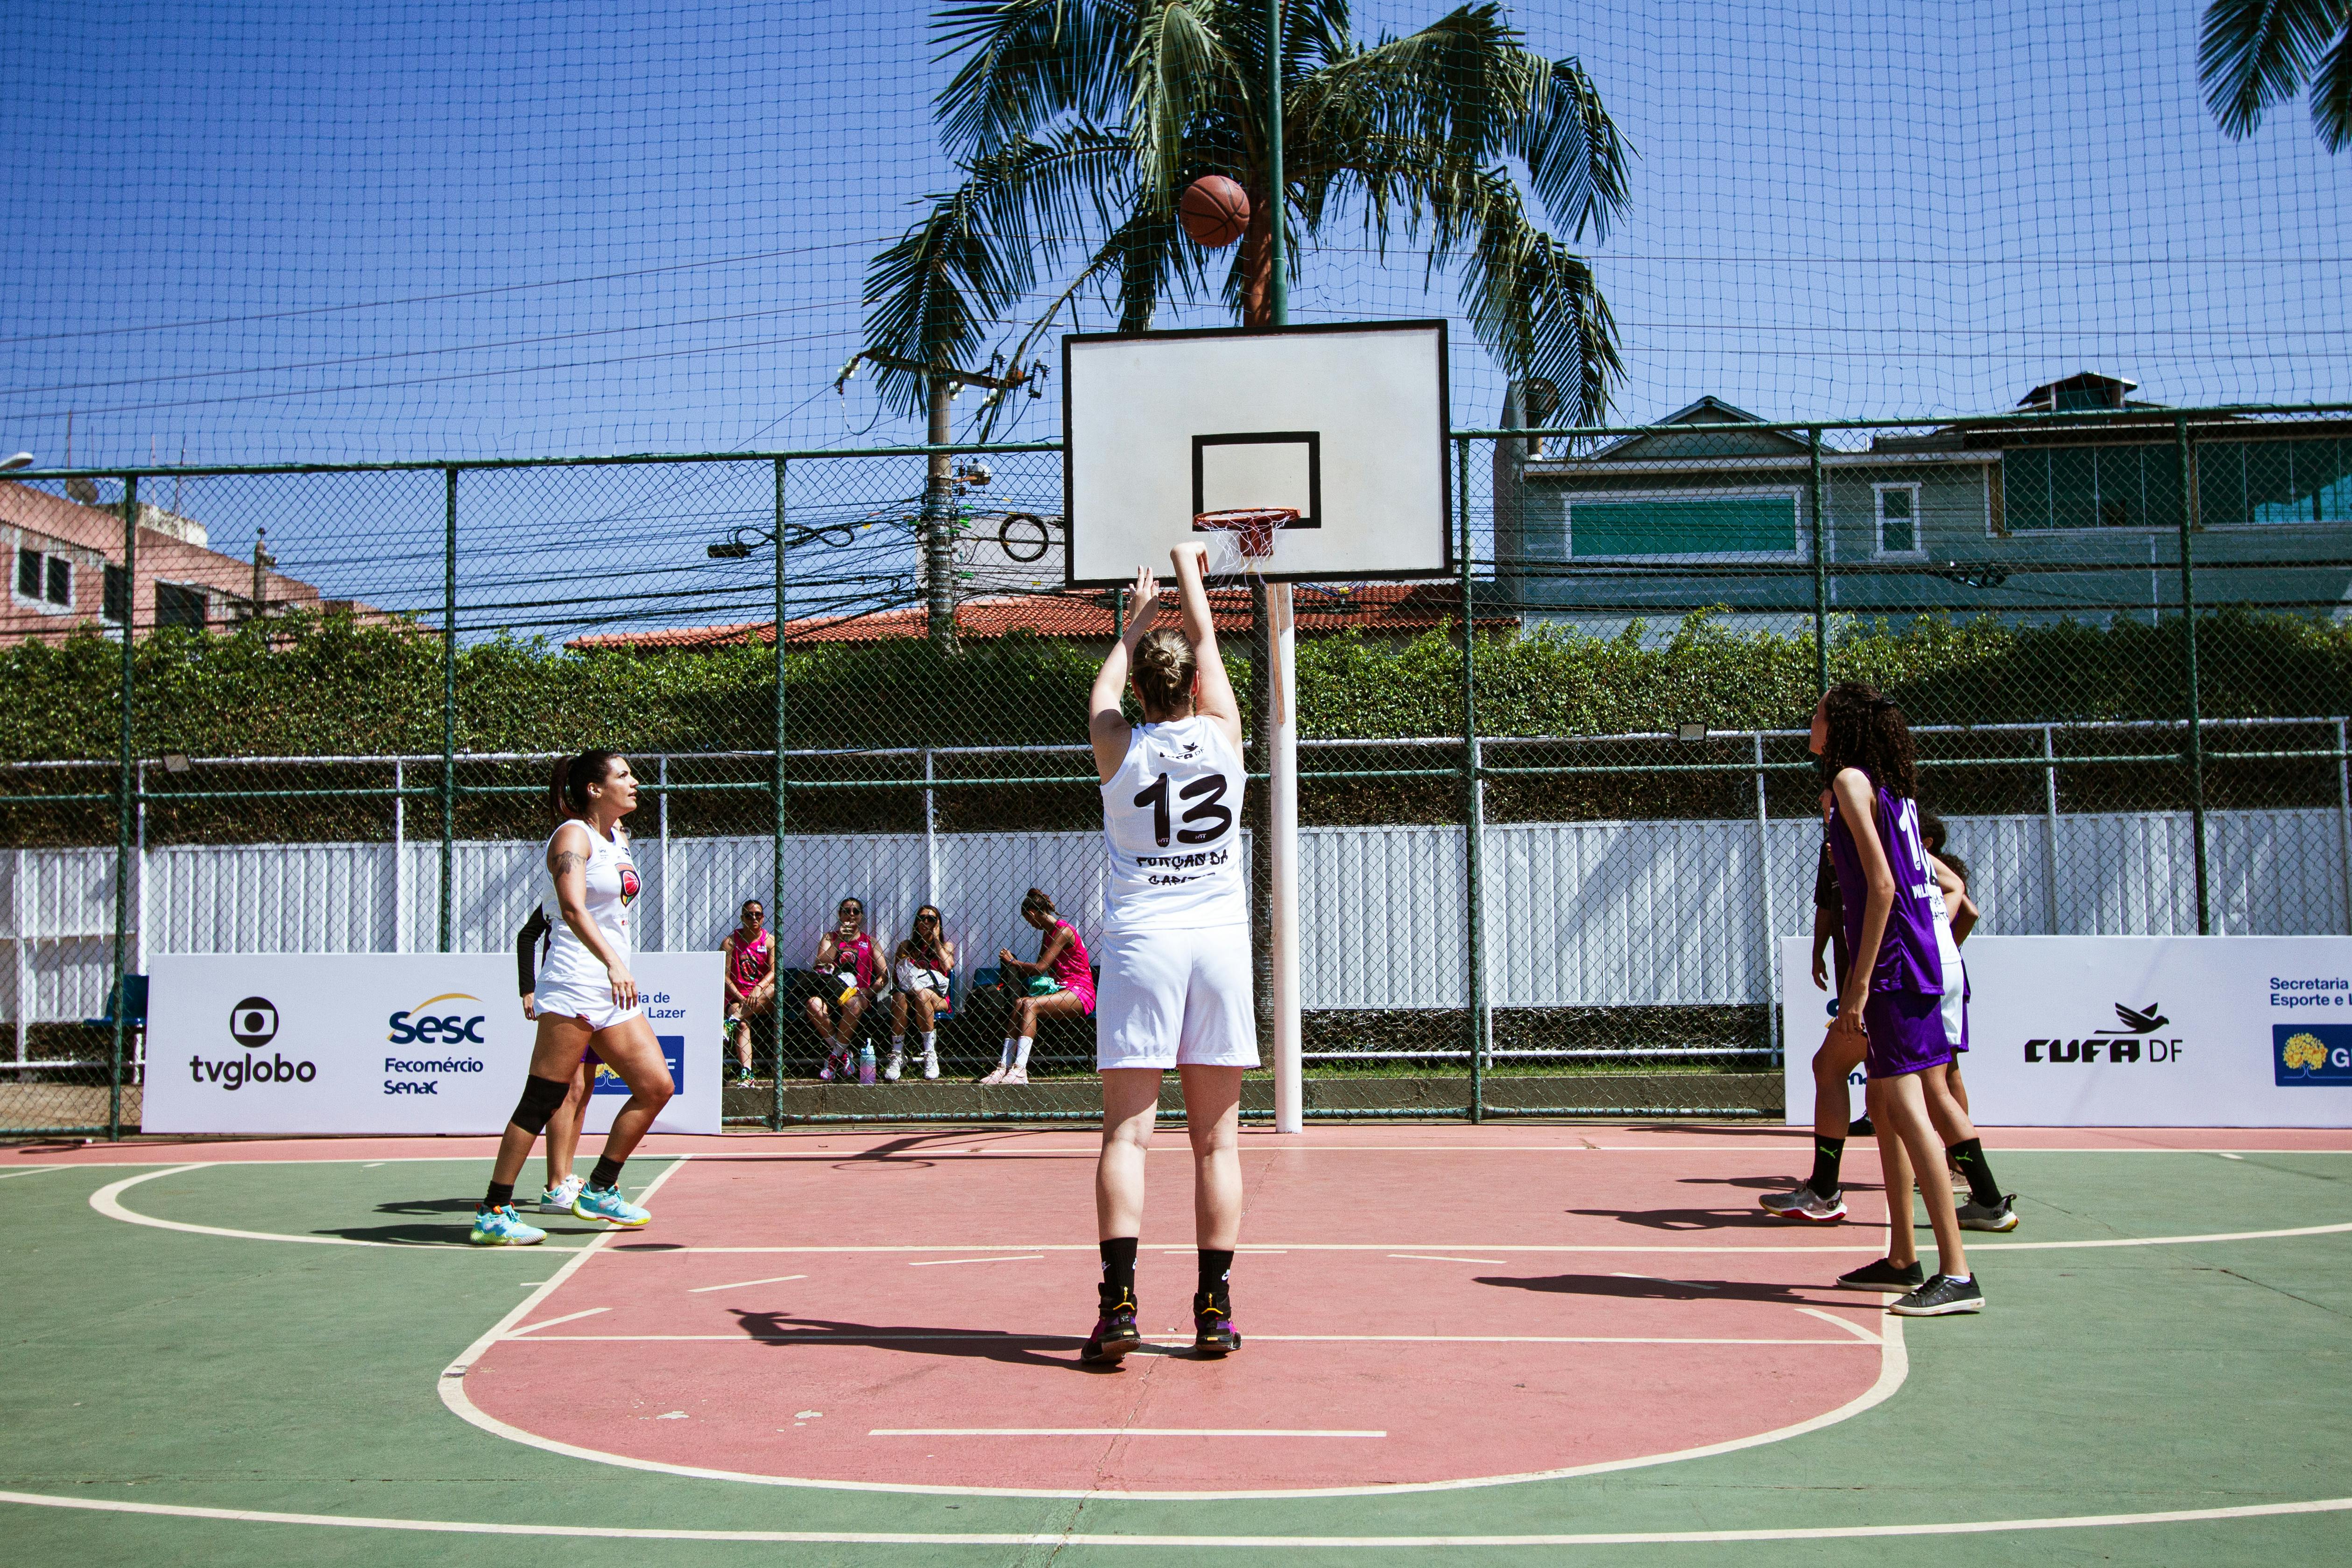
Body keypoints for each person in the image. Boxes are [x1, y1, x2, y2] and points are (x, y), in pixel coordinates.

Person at [1771, 684, 2008, 1314]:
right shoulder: (1886, 788)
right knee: (1880, 1098)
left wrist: (1859, 983)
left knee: (1905, 1107)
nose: (1811, 721)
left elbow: (1879, 887)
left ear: (1840, 725)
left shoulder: (1852, 781)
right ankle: (1903, 1257)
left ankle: (1957, 1272)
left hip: (1898, 961)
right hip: (1912, 955)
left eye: (1818, 713)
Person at [1079, 544, 1252, 1363]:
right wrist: (1192, 576)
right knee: (1216, 1142)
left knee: (1126, 1136)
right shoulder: (1224, 735)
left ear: (1145, 690)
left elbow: (1103, 691)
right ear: (1191, 686)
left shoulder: (1117, 743)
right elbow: (1212, 647)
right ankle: (1214, 1311)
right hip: (1216, 945)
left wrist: (1136, 619)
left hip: (1143, 942)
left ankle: (1119, 1305)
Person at [469, 749, 671, 1245]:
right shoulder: (572, 836)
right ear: (594, 789)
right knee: (543, 1099)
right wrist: (614, 962)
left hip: (609, 987)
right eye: (623, 775)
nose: (635, 782)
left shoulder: (616, 838)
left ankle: (600, 1188)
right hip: (574, 981)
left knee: (656, 1086)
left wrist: (615, 967)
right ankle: (495, 1208)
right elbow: (571, 908)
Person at [514, 906, 593, 1214]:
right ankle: (555, 1184)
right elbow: (527, 936)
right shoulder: (563, 893)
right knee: (568, 1089)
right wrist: (527, 989)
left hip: (597, 996)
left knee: (585, 1087)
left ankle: (567, 1175)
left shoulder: (606, 895)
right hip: (566, 996)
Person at [981, 890, 1095, 1086]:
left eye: (1029, 920)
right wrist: (1011, 967)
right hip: (1061, 990)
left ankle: (1020, 1070)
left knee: (1031, 1005)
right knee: (1020, 1003)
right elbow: (1035, 970)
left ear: (1033, 914)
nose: (1031, 925)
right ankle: (1003, 1067)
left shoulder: (1063, 931)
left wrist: (1014, 962)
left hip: (1080, 992)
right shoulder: (1048, 934)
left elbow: (1042, 967)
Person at [805, 897, 883, 1084]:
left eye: (856, 911)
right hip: (831, 992)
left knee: (854, 1004)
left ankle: (833, 1060)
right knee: (812, 1004)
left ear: (861, 916)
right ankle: (841, 1053)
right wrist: (840, 939)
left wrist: (870, 992)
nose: (852, 915)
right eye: (847, 911)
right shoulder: (830, 938)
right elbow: (821, 963)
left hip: (859, 993)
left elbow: (884, 975)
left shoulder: (870, 941)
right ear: (840, 915)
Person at [887, 905, 954, 1082]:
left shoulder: (946, 945)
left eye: (931, 919)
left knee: (923, 994)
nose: (926, 922)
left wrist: (936, 938)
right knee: (899, 995)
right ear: (916, 922)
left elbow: (947, 966)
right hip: (909, 995)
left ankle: (930, 1055)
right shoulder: (906, 946)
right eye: (922, 918)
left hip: (937, 997)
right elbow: (896, 977)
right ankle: (897, 1054)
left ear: (938, 923)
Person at [721, 898, 777, 1086]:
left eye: (758, 915)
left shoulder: (769, 941)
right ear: (742, 918)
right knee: (743, 1025)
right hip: (737, 996)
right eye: (749, 915)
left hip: (761, 997)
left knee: (773, 989)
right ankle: (747, 1074)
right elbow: (725, 977)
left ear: (763, 918)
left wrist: (758, 988)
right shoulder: (730, 942)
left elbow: (774, 972)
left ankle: (730, 1023)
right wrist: (740, 996)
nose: (754, 918)